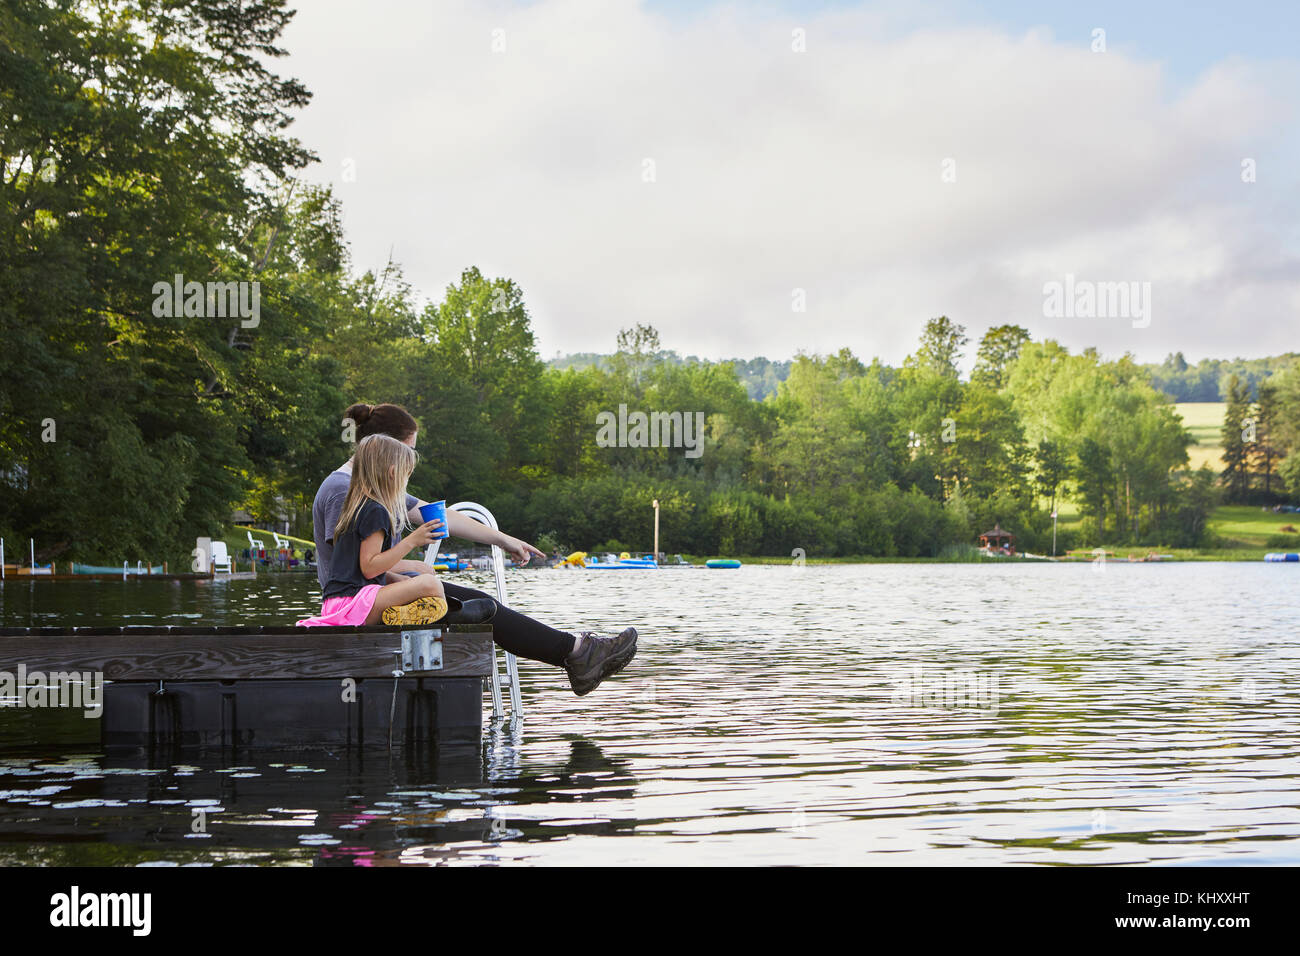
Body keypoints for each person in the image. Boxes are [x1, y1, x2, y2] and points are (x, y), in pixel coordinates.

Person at [311, 402, 637, 696]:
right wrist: (410, 557)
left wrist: (503, 539)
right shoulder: (345, 490)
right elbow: (359, 567)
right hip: (358, 603)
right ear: (386, 454)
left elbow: (439, 517)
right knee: (483, 607)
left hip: (375, 589)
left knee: (462, 596)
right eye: (408, 453)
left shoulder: (372, 486)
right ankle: (578, 654)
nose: (412, 464)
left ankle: (576, 652)